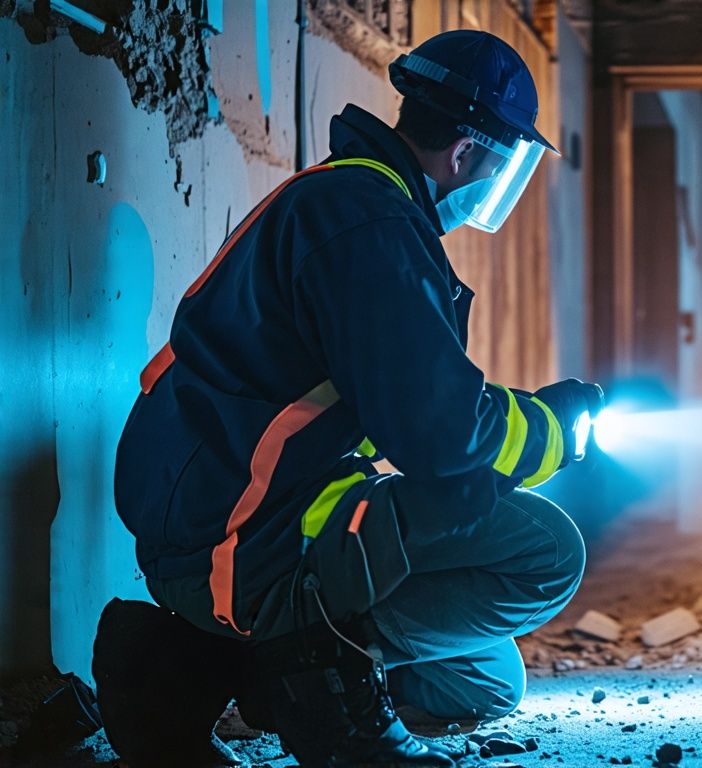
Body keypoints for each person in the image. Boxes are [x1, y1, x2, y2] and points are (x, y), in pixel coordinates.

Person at [95, 30, 601, 767]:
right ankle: (307, 667)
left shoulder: (342, 197)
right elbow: (440, 437)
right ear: (466, 154)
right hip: (242, 539)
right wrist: (551, 430)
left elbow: (412, 408)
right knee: (549, 552)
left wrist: (512, 420)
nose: (498, 181)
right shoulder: (369, 225)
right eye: (503, 160)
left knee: (486, 680)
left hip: (220, 520)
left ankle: (188, 664)